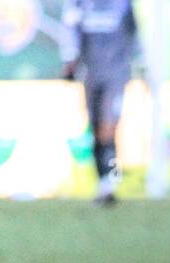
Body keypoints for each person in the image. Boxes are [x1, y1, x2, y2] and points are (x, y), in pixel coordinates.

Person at [61, 0, 139, 204]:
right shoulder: (79, 3)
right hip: (90, 74)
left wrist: (141, 64)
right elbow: (71, 31)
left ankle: (113, 181)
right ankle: (103, 183)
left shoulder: (122, 4)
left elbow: (134, 33)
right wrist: (70, 61)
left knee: (108, 129)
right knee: (96, 130)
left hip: (116, 74)